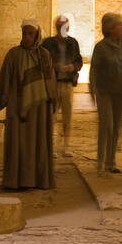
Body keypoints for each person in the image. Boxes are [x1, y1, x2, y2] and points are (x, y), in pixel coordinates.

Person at [0, 20, 57, 190]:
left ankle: (38, 180)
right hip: (18, 106)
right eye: (24, 33)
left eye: (30, 34)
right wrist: (4, 99)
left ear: (37, 35)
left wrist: (53, 100)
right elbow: (5, 78)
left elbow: (50, 79)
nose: (27, 37)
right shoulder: (13, 54)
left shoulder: (44, 54)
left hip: (39, 108)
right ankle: (16, 181)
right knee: (18, 143)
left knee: (38, 142)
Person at [89, 12, 122, 176]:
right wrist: (93, 89)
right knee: (106, 125)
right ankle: (101, 161)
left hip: (120, 90)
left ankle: (111, 161)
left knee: (117, 126)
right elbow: (94, 69)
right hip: (104, 91)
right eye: (120, 25)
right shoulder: (101, 47)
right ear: (111, 29)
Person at [42, 14, 83, 154]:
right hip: (53, 83)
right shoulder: (47, 43)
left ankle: (66, 145)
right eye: (59, 26)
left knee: (67, 115)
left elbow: (79, 61)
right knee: (51, 116)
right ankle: (50, 146)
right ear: (56, 27)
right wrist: (54, 66)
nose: (62, 29)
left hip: (67, 83)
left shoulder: (73, 43)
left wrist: (72, 67)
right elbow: (42, 61)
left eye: (64, 26)